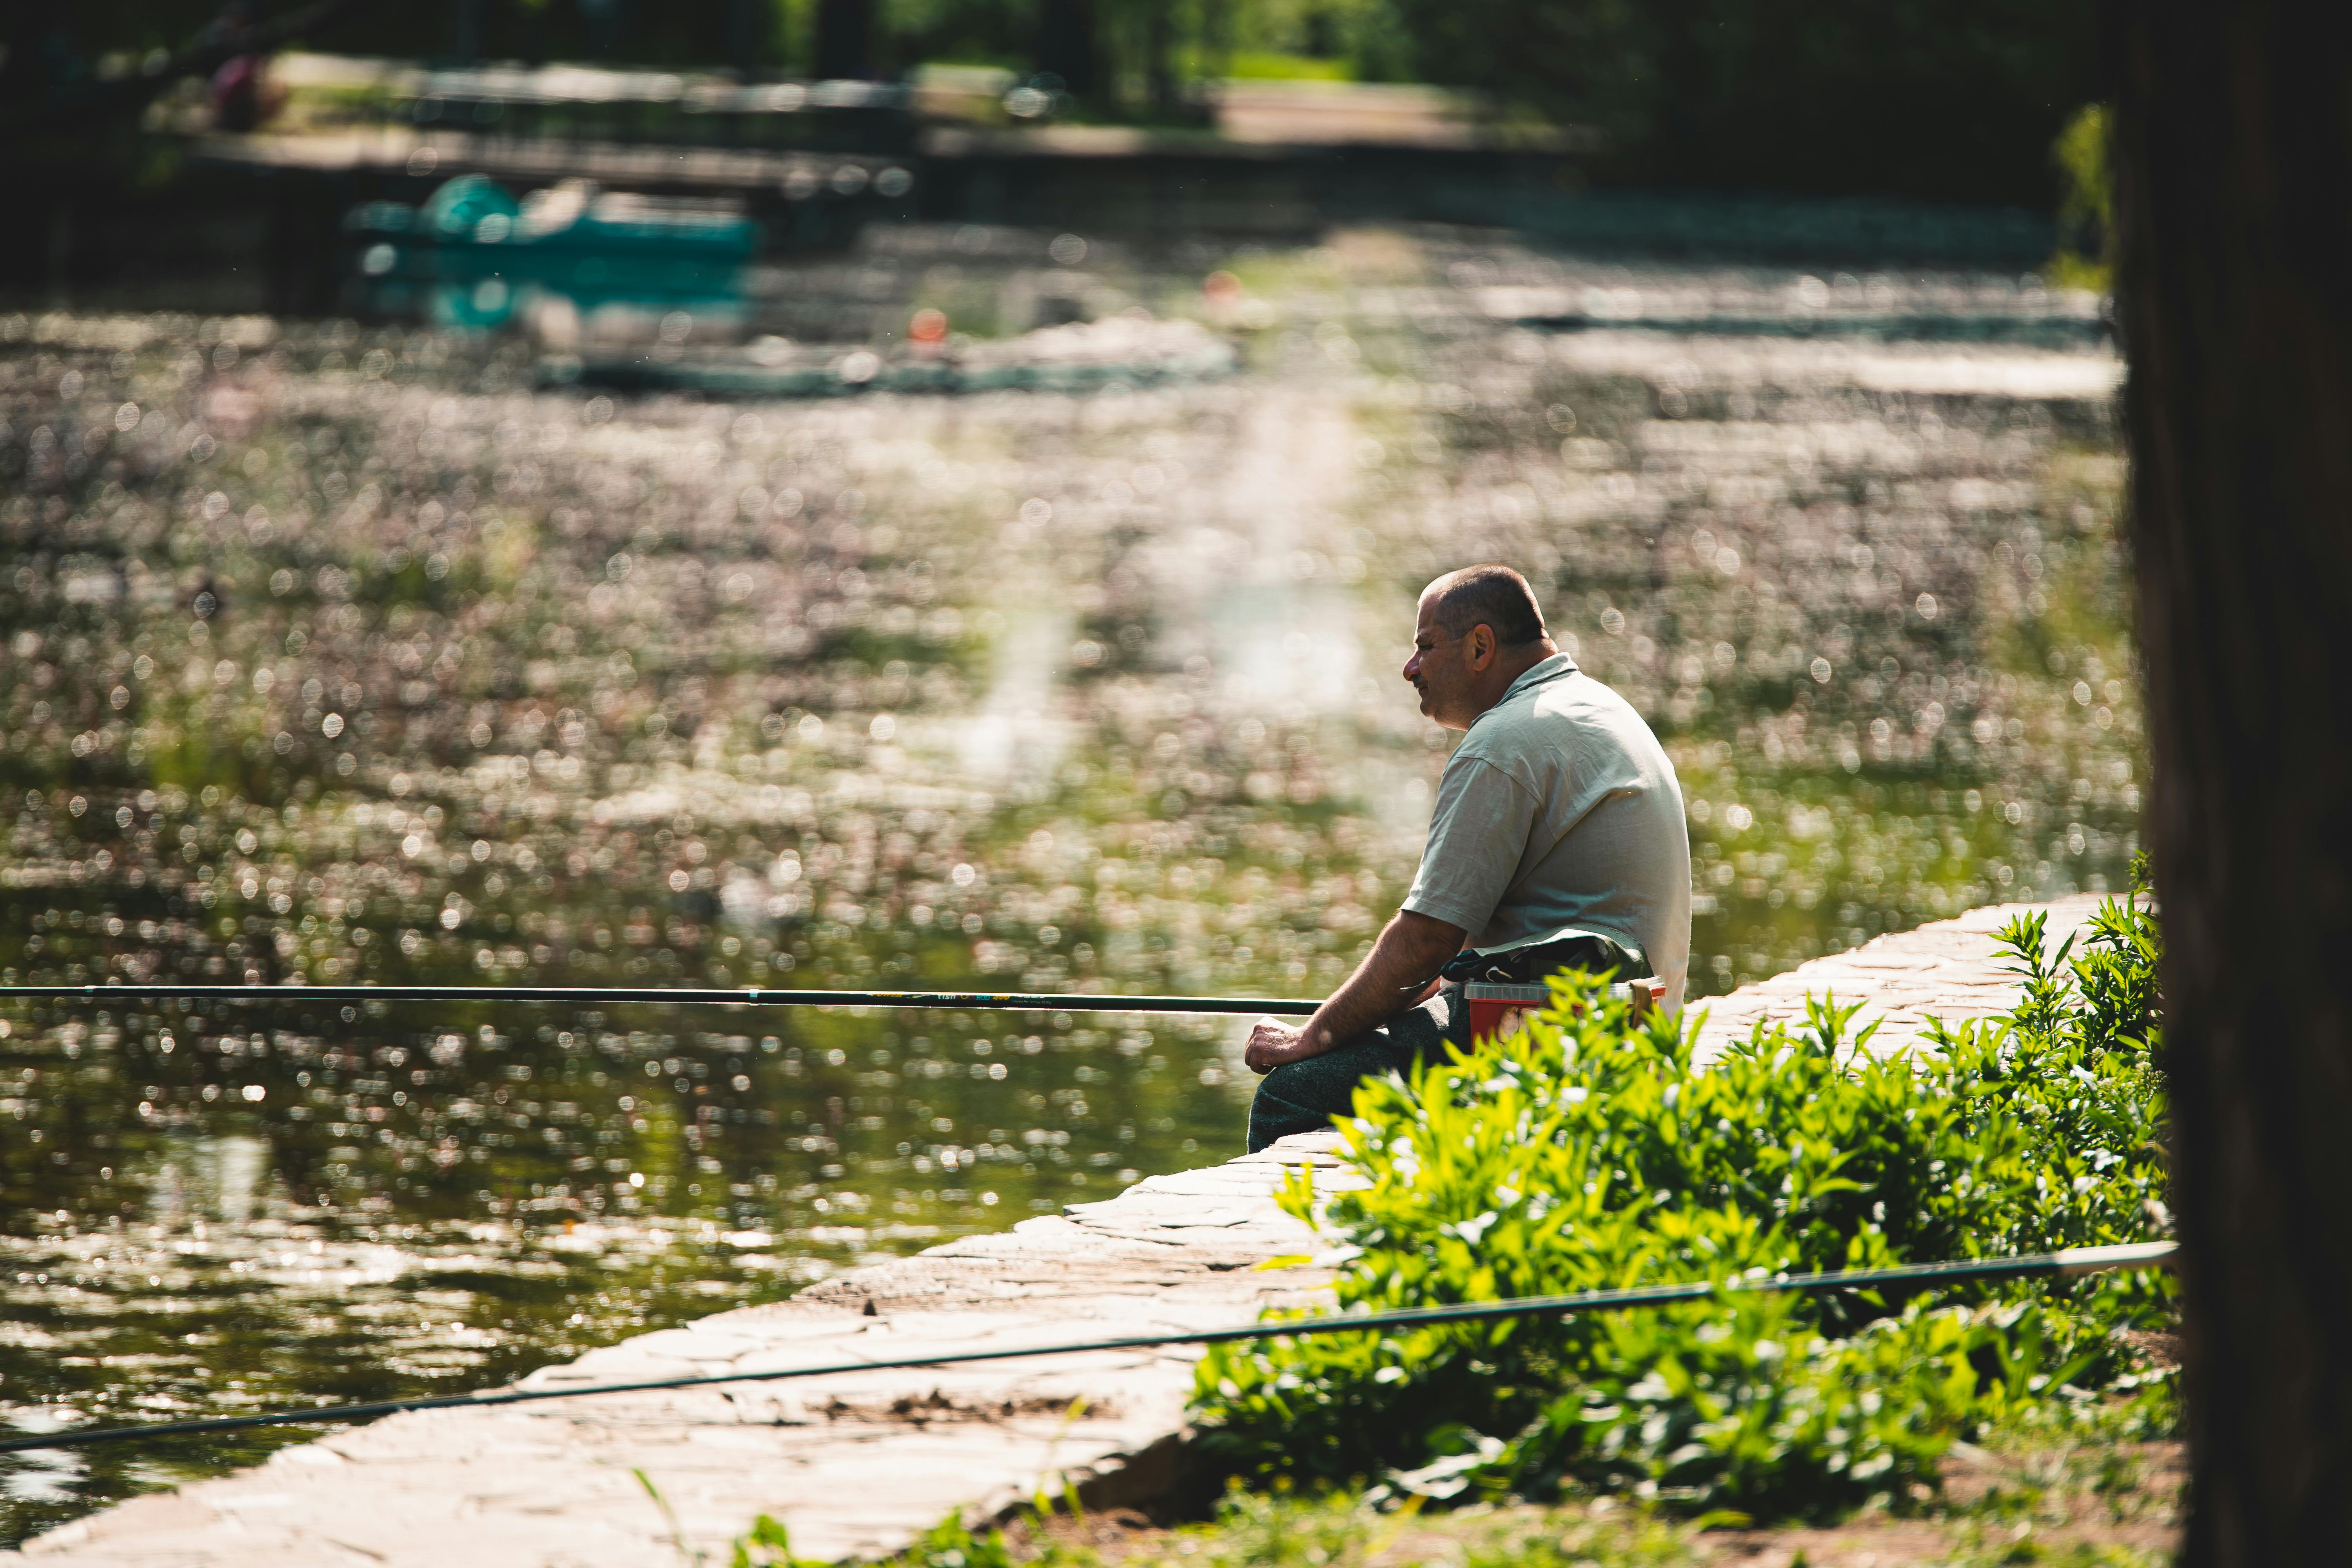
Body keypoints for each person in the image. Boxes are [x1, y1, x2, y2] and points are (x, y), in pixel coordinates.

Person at [1242, 564, 1691, 1152]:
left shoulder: (1502, 742)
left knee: (1295, 1092)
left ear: (1480, 646)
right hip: (1636, 1021)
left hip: (1556, 1030)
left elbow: (1427, 940)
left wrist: (1314, 1036)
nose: (1410, 669)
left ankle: (1330, 1245)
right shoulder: (1598, 707)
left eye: (1425, 647)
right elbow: (1459, 950)